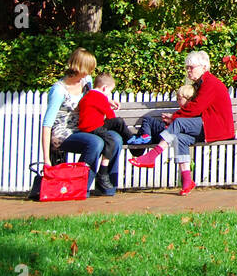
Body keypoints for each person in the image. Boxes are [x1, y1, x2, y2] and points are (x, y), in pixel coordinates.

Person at [130, 50, 233, 195]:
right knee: (179, 139)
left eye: (192, 67)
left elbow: (196, 108)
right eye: (187, 68)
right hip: (207, 127)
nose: (188, 71)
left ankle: (152, 156)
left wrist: (174, 117)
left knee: (179, 123)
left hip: (216, 127)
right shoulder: (202, 83)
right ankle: (187, 182)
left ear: (204, 67)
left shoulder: (210, 83)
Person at [40, 48, 122, 197]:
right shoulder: (58, 90)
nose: (90, 73)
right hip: (64, 134)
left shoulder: (86, 81)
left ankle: (105, 181)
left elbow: (93, 96)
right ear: (79, 68)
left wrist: (108, 100)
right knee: (95, 143)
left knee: (115, 138)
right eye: (88, 69)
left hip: (86, 128)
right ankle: (79, 186)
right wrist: (46, 159)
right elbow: (47, 125)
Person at [75, 72, 134, 196]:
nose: (109, 94)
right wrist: (109, 108)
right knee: (112, 138)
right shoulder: (100, 97)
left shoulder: (88, 95)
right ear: (104, 88)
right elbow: (110, 115)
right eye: (109, 91)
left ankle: (131, 139)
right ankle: (103, 171)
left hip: (88, 126)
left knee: (116, 127)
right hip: (94, 127)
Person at [128, 82, 194, 148]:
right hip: (167, 133)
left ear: (189, 99)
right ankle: (145, 138)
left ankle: (145, 137)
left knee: (147, 119)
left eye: (180, 99)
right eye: (177, 99)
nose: (178, 101)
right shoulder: (184, 110)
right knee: (147, 131)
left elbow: (181, 123)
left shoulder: (187, 110)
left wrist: (171, 117)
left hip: (168, 132)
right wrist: (168, 120)